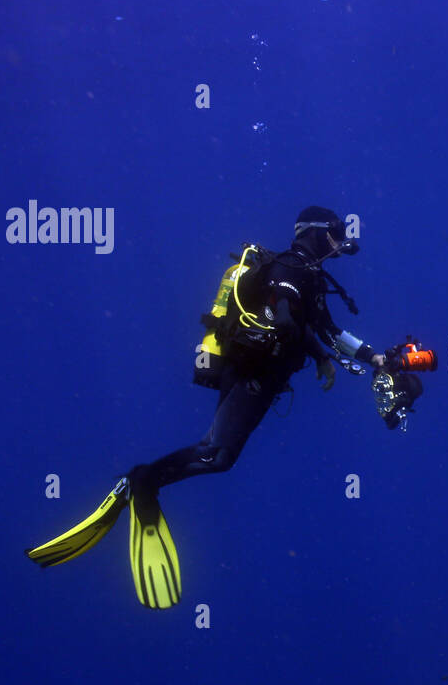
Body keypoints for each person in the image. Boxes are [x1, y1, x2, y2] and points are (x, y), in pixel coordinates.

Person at [27, 206, 400, 608]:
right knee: (217, 452)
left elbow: (327, 330)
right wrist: (311, 346)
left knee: (219, 454)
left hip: (254, 372)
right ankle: (141, 483)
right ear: (317, 233)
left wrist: (371, 358)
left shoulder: (306, 275)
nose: (340, 240)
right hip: (253, 372)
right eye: (336, 232)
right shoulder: (292, 268)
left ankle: (138, 483)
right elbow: (288, 312)